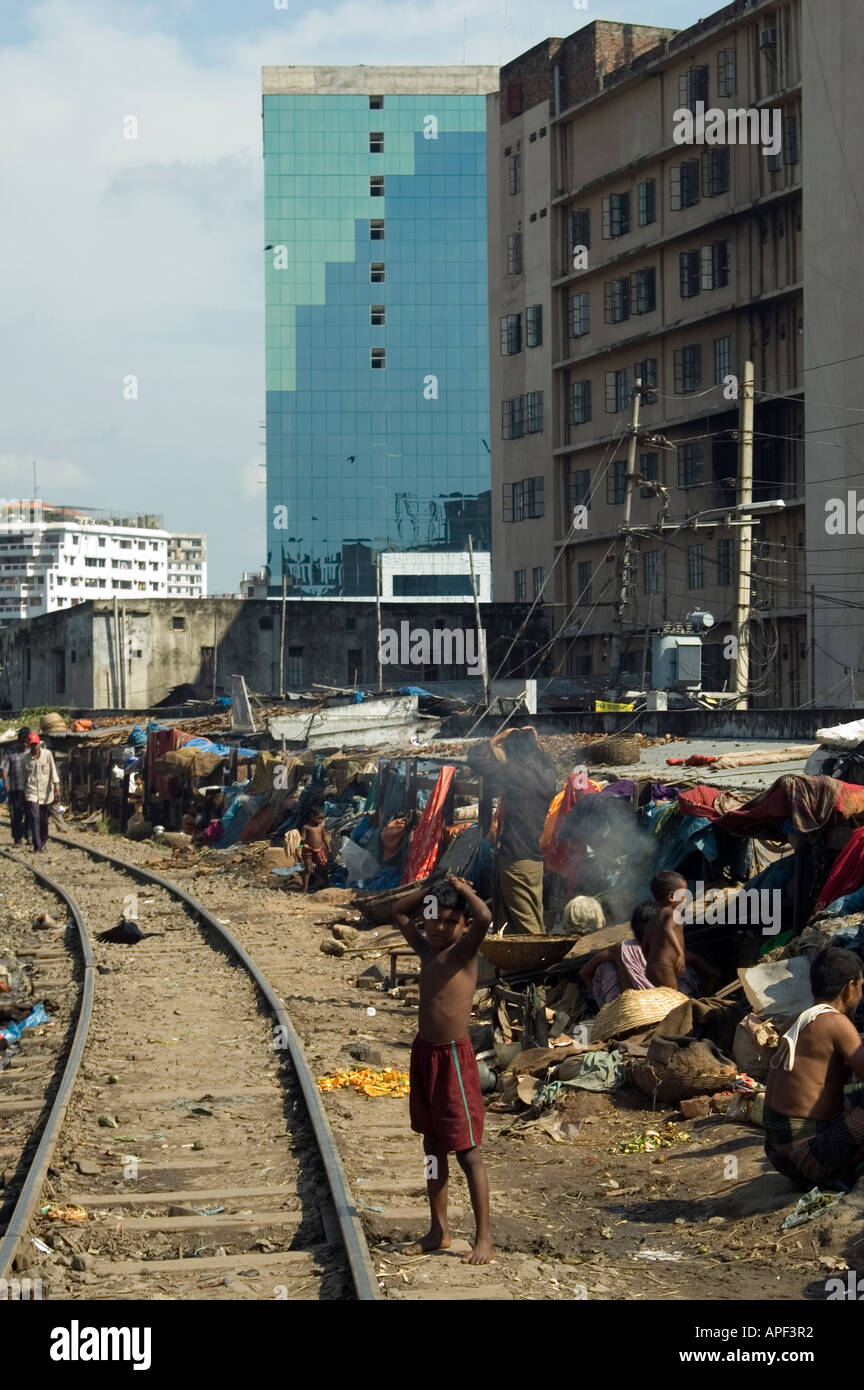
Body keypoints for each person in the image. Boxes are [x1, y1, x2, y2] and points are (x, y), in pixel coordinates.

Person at [394, 873, 494, 1265]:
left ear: (463, 925)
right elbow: (398, 911)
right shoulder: (424, 949)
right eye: (434, 918)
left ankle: (484, 1237)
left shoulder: (462, 952)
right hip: (424, 1056)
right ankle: (438, 1229)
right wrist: (434, 885)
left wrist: (464, 890)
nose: (439, 927)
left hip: (453, 1058)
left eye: (451, 921)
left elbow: (484, 917)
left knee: (467, 1151)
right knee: (432, 1145)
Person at [764, 947, 864, 1191]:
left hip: (779, 1156)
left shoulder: (798, 1020)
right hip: (808, 1159)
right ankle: (839, 1173)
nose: (861, 994)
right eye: (861, 986)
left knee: (855, 1097)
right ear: (849, 987)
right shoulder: (836, 1022)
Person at [467, 726, 557, 936]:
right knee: (521, 919)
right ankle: (518, 965)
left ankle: (539, 965)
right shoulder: (548, 776)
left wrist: (497, 737)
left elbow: (475, 758)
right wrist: (536, 742)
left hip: (516, 860)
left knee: (527, 925)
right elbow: (546, 760)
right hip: (533, 859)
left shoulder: (514, 775)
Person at [582, 893, 718, 1004]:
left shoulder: (621, 948)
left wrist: (600, 1005)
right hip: (671, 1011)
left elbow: (585, 972)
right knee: (686, 970)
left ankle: (611, 1012)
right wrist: (701, 1000)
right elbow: (713, 974)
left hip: (631, 1013)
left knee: (606, 967)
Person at [23, 733, 60, 854]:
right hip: (31, 792)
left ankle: (43, 843)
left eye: (36, 744)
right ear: (29, 745)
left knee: (44, 820)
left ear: (39, 743)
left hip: (46, 793)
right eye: (32, 744)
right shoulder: (25, 759)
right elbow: (23, 778)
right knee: (34, 818)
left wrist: (56, 786)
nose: (34, 747)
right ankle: (37, 846)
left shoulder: (47, 754)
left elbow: (53, 770)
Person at [0, 727, 32, 846]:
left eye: (26, 742)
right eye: (22, 742)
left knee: (30, 813)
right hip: (15, 788)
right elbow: (4, 767)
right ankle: (17, 838)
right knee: (16, 815)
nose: (24, 744)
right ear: (18, 740)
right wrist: (6, 782)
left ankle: (28, 835)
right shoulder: (10, 752)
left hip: (29, 788)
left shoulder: (31, 751)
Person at [300, 808, 331, 891]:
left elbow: (324, 838)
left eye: (322, 818)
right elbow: (302, 839)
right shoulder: (306, 827)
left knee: (323, 868)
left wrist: (329, 848)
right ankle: (304, 888)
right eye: (319, 818)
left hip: (319, 850)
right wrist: (299, 848)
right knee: (308, 869)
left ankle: (327, 886)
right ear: (311, 816)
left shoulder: (321, 827)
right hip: (307, 850)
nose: (321, 821)